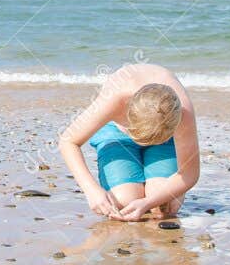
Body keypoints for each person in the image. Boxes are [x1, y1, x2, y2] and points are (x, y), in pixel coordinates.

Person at [58, 64, 199, 220]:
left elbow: (190, 174)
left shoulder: (180, 111)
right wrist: (91, 190)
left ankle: (158, 183)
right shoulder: (115, 99)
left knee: (163, 207)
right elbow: (68, 141)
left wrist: (148, 202)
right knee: (124, 201)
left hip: (164, 136)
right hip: (118, 134)